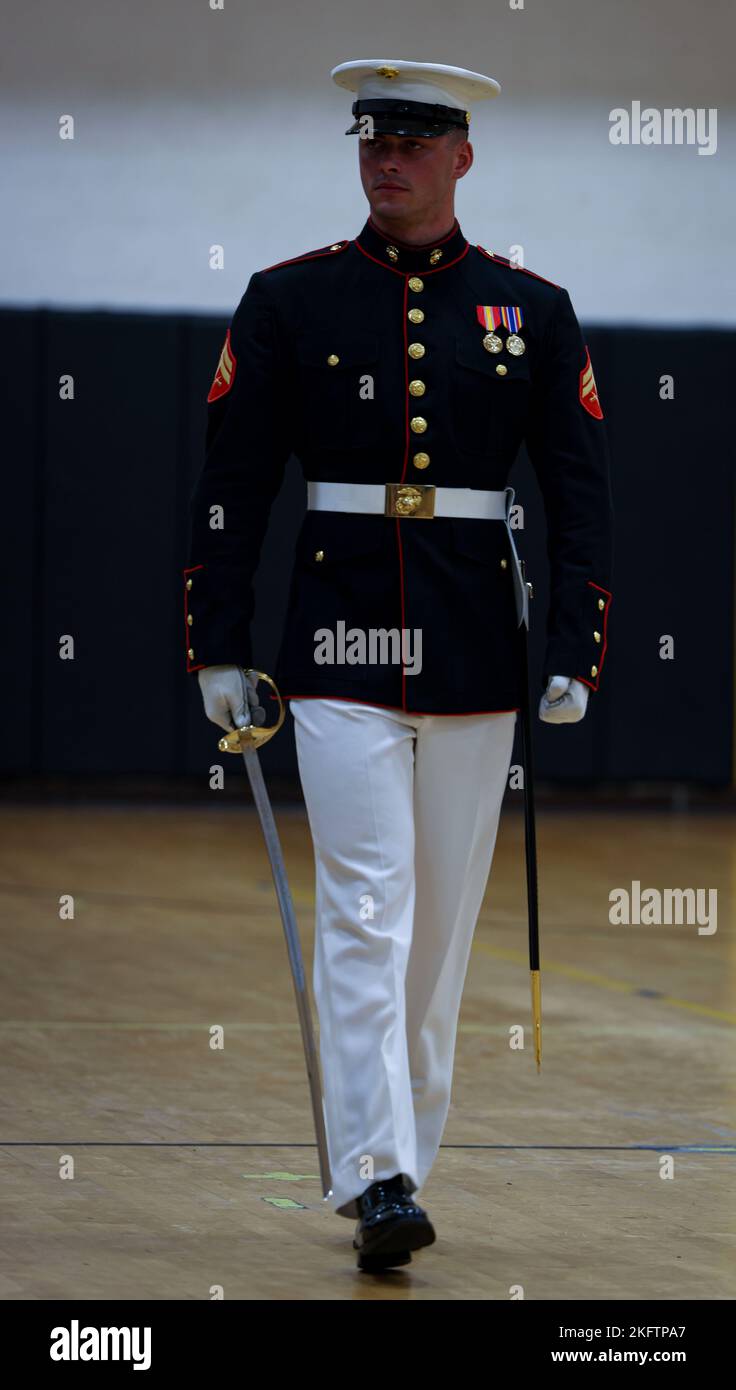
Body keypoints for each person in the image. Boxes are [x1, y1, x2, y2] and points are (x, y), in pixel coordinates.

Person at [183, 59, 613, 1273]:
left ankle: (404, 1160)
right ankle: (377, 1178)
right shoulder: (289, 301)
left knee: (439, 938)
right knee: (367, 907)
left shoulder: (530, 309)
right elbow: (230, 489)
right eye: (371, 139)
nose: (387, 159)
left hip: (477, 648)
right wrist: (217, 642)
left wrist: (575, 647)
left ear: (462, 156)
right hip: (338, 639)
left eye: (414, 141)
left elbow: (582, 503)